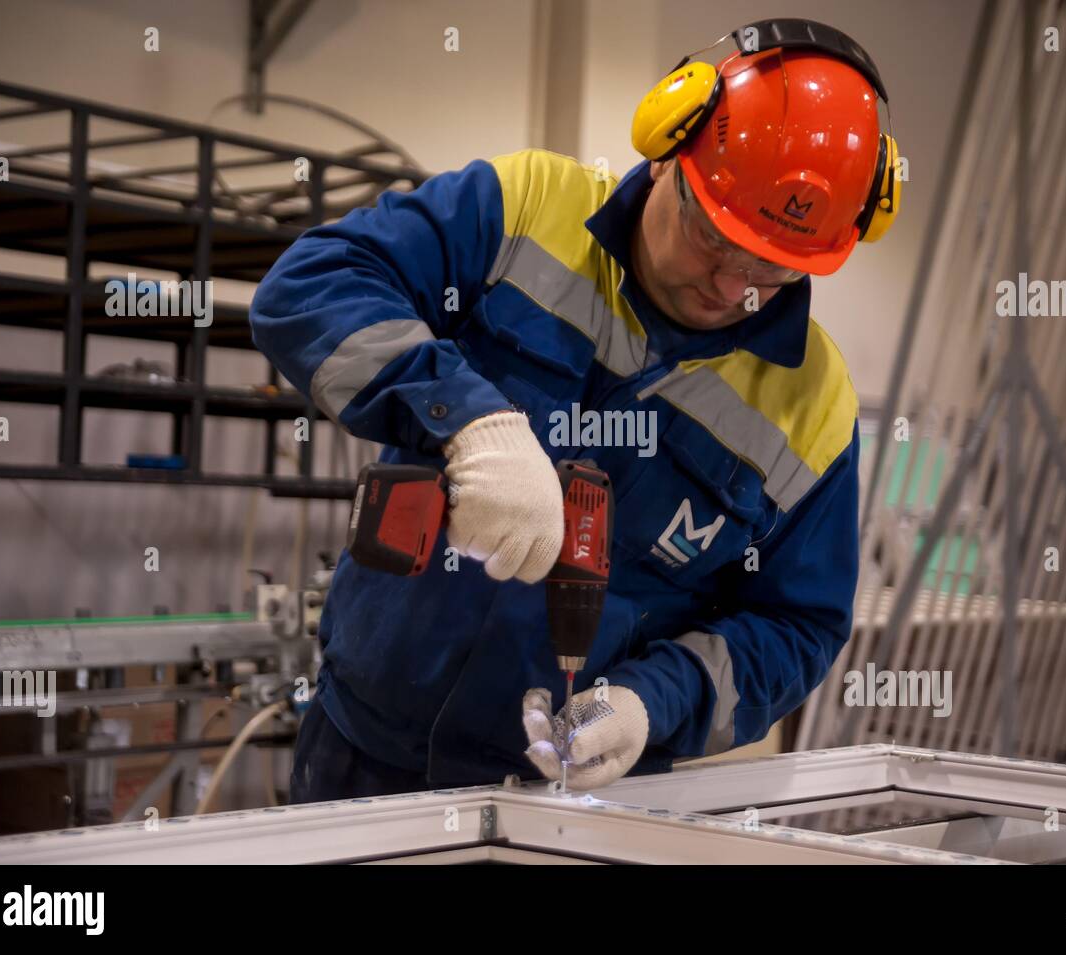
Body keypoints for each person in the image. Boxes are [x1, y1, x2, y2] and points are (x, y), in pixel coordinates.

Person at [250, 17, 901, 800]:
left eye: (775, 266)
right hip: (362, 754)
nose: (732, 286)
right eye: (713, 235)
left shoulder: (815, 410)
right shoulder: (529, 209)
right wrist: (465, 420)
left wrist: (651, 701)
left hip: (574, 796)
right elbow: (309, 285)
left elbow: (796, 628)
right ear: (668, 147)